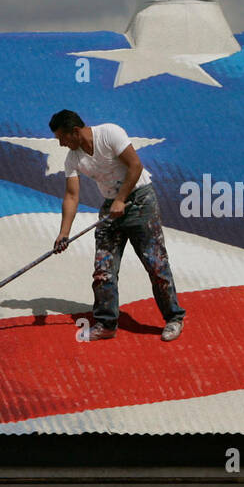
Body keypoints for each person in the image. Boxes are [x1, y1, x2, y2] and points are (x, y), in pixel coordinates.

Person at [49, 109, 185, 342]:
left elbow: (135, 165)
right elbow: (72, 196)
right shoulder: (73, 158)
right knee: (103, 269)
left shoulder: (110, 133)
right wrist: (64, 233)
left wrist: (121, 198)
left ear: (74, 131)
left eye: (62, 138)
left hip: (140, 201)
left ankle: (174, 318)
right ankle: (106, 323)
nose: (61, 144)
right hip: (112, 208)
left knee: (156, 264)